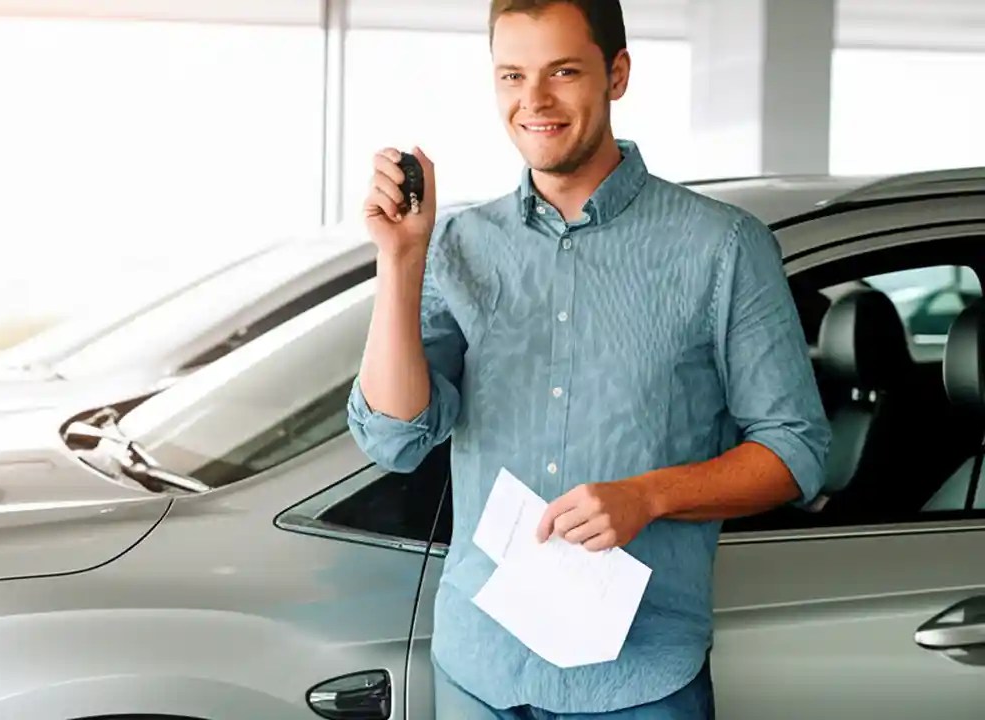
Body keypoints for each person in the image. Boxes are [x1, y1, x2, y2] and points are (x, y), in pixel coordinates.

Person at [345, 0, 831, 717]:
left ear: (618, 74)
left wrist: (649, 496)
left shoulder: (722, 247)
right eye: (511, 75)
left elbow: (797, 452)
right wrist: (401, 258)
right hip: (480, 667)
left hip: (638, 679)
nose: (533, 100)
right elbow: (394, 436)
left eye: (562, 71)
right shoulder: (459, 245)